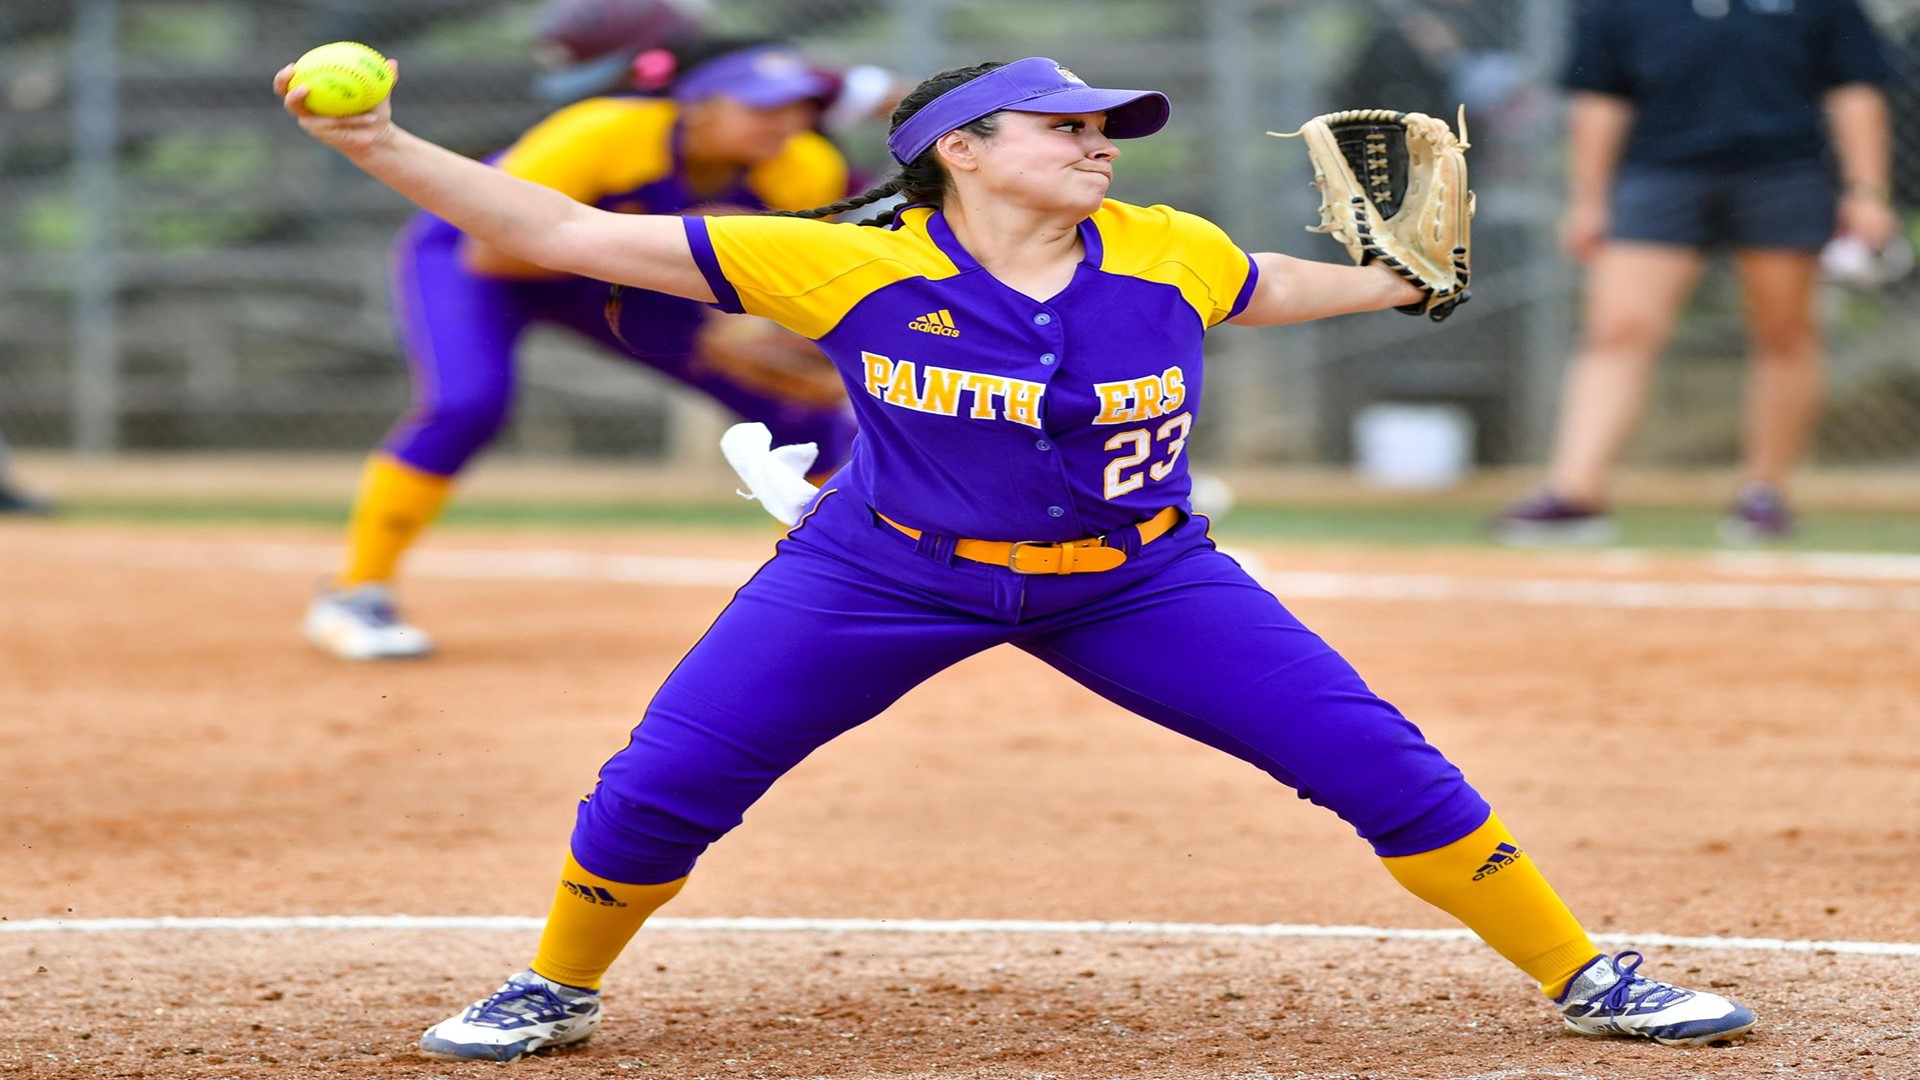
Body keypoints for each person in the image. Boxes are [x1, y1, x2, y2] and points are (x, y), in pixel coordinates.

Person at [277, 53, 1759, 1061]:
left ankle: (1585, 976)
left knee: (1379, 763)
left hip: (1138, 576)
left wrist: (1387, 280)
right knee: (668, 780)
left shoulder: (1164, 246)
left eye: (1104, 124)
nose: (1098, 141)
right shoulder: (853, 262)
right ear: (960, 153)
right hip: (881, 568)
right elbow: (563, 230)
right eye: (1064, 126)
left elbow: (1268, 284)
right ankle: (558, 984)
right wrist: (377, 143)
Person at [303, 36, 860, 661]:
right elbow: (496, 250)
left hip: (620, 281)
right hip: (476, 260)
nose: (786, 123)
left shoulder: (804, 166)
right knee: (467, 404)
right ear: (697, 107)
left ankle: (846, 595)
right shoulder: (604, 131)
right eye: (762, 107)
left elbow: (791, 283)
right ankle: (356, 591)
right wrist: (679, 240)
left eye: (799, 108)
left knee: (800, 416)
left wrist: (775, 330)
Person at [1492, 0, 1898, 546]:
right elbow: (1601, 99)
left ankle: (1764, 493)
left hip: (1784, 171)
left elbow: (1853, 88)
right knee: (1618, 328)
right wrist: (1589, 198)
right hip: (1657, 172)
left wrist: (1866, 190)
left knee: (1784, 331)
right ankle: (1575, 491)